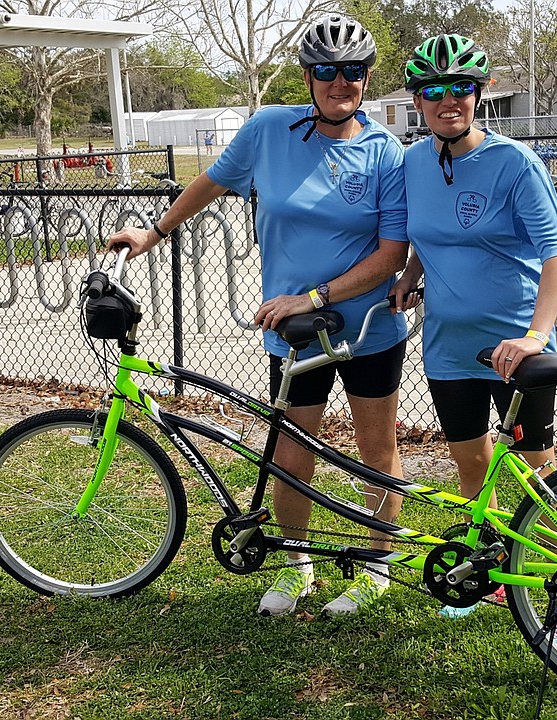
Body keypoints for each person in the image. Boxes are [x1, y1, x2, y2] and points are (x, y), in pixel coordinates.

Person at [109, 14, 409, 618]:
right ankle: (296, 564)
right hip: (293, 334)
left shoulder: (386, 153)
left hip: (367, 329)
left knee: (377, 447)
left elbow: (391, 255)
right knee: (292, 450)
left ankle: (377, 563)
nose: (339, 82)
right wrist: (156, 231)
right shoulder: (270, 129)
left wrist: (318, 296)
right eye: (326, 71)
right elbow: (212, 183)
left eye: (352, 72)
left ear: (366, 78)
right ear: (307, 77)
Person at [391, 34, 557, 643]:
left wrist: (537, 335)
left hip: (514, 351)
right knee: (471, 466)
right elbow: (426, 235)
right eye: (435, 92)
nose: (450, 102)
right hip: (448, 347)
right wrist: (410, 277)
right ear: (418, 102)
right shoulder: (414, 162)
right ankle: (495, 572)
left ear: (480, 94)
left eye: (462, 90)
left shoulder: (514, 162)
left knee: (537, 475)